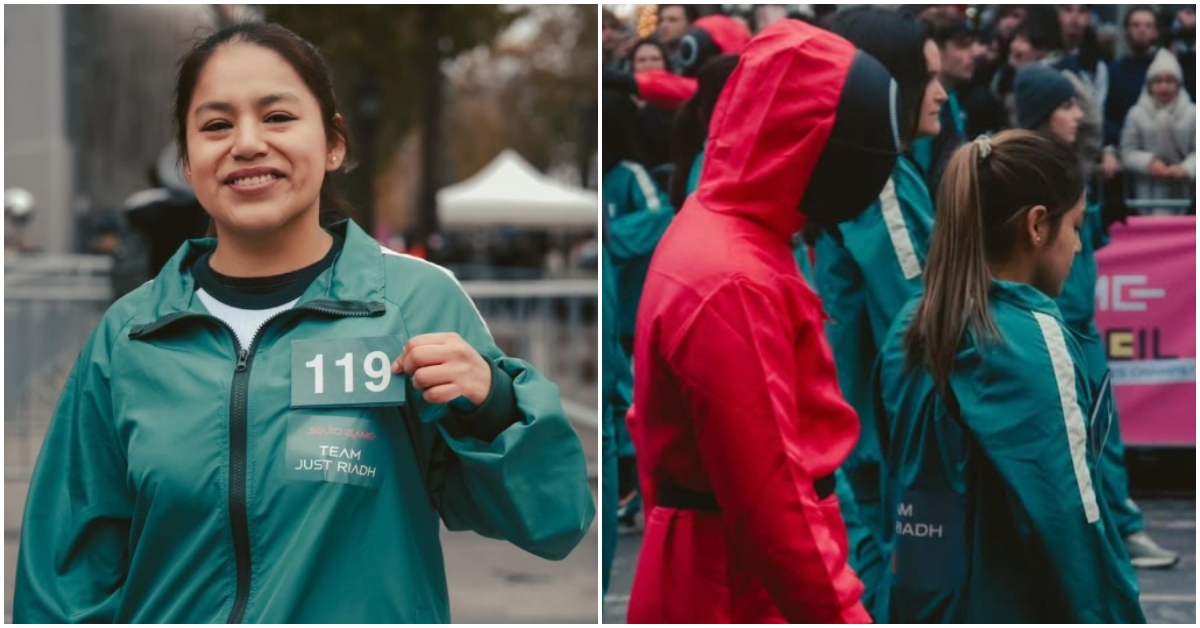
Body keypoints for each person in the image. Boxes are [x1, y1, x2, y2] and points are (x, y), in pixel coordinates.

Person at [12, 22, 594, 624]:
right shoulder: (128, 336)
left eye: (278, 117)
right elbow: (64, 578)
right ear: (187, 163)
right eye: (215, 125)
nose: (246, 143)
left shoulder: (414, 303)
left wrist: (494, 406)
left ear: (334, 142)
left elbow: (553, 520)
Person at [625, 18, 901, 623]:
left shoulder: (725, 225)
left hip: (713, 568)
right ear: (812, 141)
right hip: (738, 588)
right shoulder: (734, 277)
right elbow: (773, 503)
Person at [876, 130, 1145, 623]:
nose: (1080, 245)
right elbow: (1074, 524)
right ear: (1037, 226)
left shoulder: (910, 324)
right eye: (1076, 226)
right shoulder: (1033, 340)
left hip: (915, 602)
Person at [1015, 62, 1181, 569]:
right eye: (1065, 105)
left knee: (1101, 428)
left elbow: (1090, 240)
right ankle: (1104, 534)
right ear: (1042, 113)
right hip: (1053, 324)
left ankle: (1118, 527)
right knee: (1070, 433)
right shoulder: (1029, 172)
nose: (1077, 114)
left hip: (1079, 323)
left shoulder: (1074, 165)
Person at [811, 7, 946, 566]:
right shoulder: (881, 180)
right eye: (928, 78)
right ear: (889, 84)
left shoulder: (884, 169)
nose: (941, 93)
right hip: (888, 463)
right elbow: (921, 324)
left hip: (878, 454)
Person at [912, 9, 987, 191]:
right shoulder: (917, 105)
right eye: (963, 45)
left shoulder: (951, 97)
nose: (975, 52)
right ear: (934, 48)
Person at [1120, 48, 1197, 215]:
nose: (1164, 87)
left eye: (1170, 81)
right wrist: (1150, 163)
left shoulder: (1192, 113)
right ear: (1149, 85)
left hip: (1185, 194)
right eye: (1158, 81)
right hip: (1146, 194)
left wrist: (1185, 169)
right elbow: (1127, 151)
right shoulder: (1136, 113)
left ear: (1178, 84)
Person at [1104, 6, 1161, 155]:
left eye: (1148, 25)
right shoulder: (1114, 71)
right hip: (1122, 151)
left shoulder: (1165, 72)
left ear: (1156, 31)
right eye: (1136, 25)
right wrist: (1109, 149)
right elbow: (1108, 115)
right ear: (1126, 31)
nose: (1142, 30)